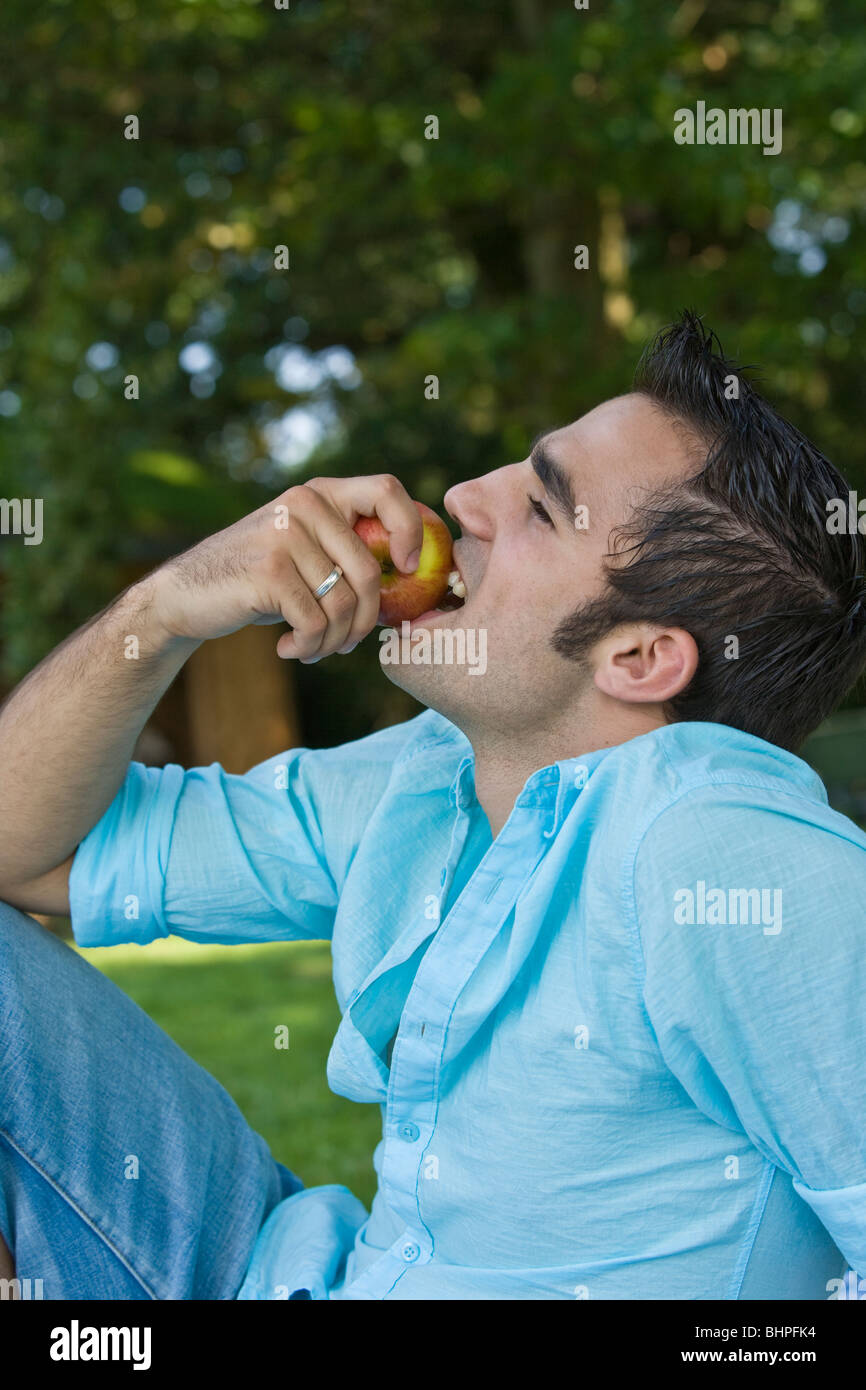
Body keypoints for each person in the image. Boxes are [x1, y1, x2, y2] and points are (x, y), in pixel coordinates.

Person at [1, 310, 865, 1300]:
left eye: (543, 509)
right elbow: (19, 849)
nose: (462, 498)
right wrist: (165, 611)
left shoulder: (721, 853)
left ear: (636, 657)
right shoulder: (433, 773)